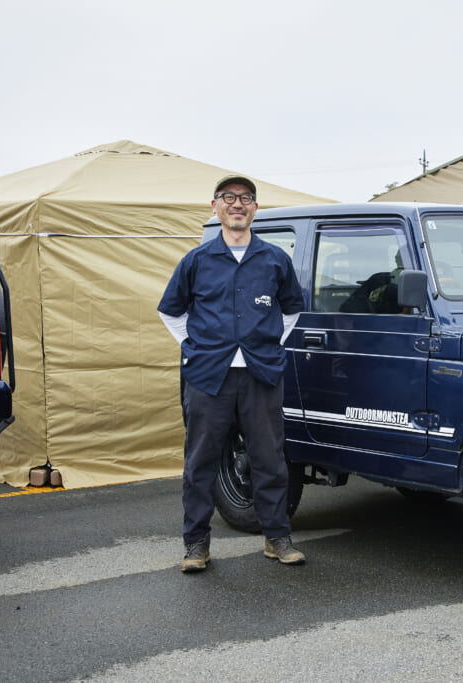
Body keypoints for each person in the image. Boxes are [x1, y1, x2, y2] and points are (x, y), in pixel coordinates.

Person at [158, 175, 306, 573]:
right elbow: (170, 310)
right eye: (229, 197)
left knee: (269, 459)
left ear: (255, 209)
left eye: (245, 198)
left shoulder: (275, 259)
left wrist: (270, 343)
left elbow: (292, 308)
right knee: (201, 461)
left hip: (261, 374)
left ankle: (277, 538)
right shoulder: (197, 261)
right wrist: (196, 347)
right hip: (209, 377)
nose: (237, 204)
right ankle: (196, 544)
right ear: (215, 206)